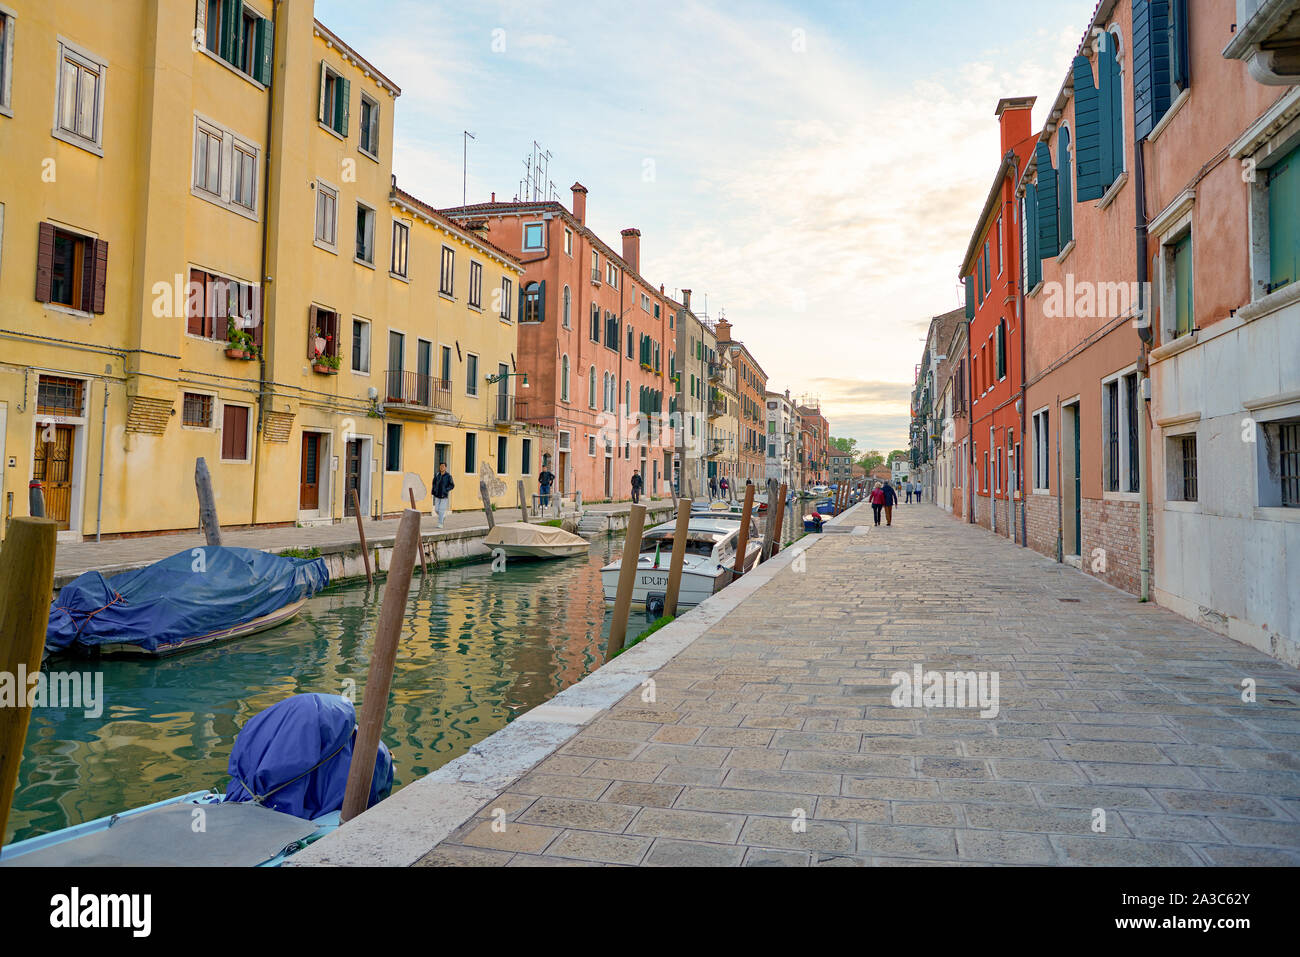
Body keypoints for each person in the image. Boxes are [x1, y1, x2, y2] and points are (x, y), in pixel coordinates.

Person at [431, 462, 455, 528]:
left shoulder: (448, 476)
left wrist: (446, 490)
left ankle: (440, 523)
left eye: (443, 466)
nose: (441, 467)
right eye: (441, 466)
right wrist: (433, 491)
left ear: (445, 467)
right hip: (437, 495)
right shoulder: (437, 475)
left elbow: (452, 485)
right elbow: (434, 483)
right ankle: (443, 516)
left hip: (444, 496)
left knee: (441, 510)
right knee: (436, 510)